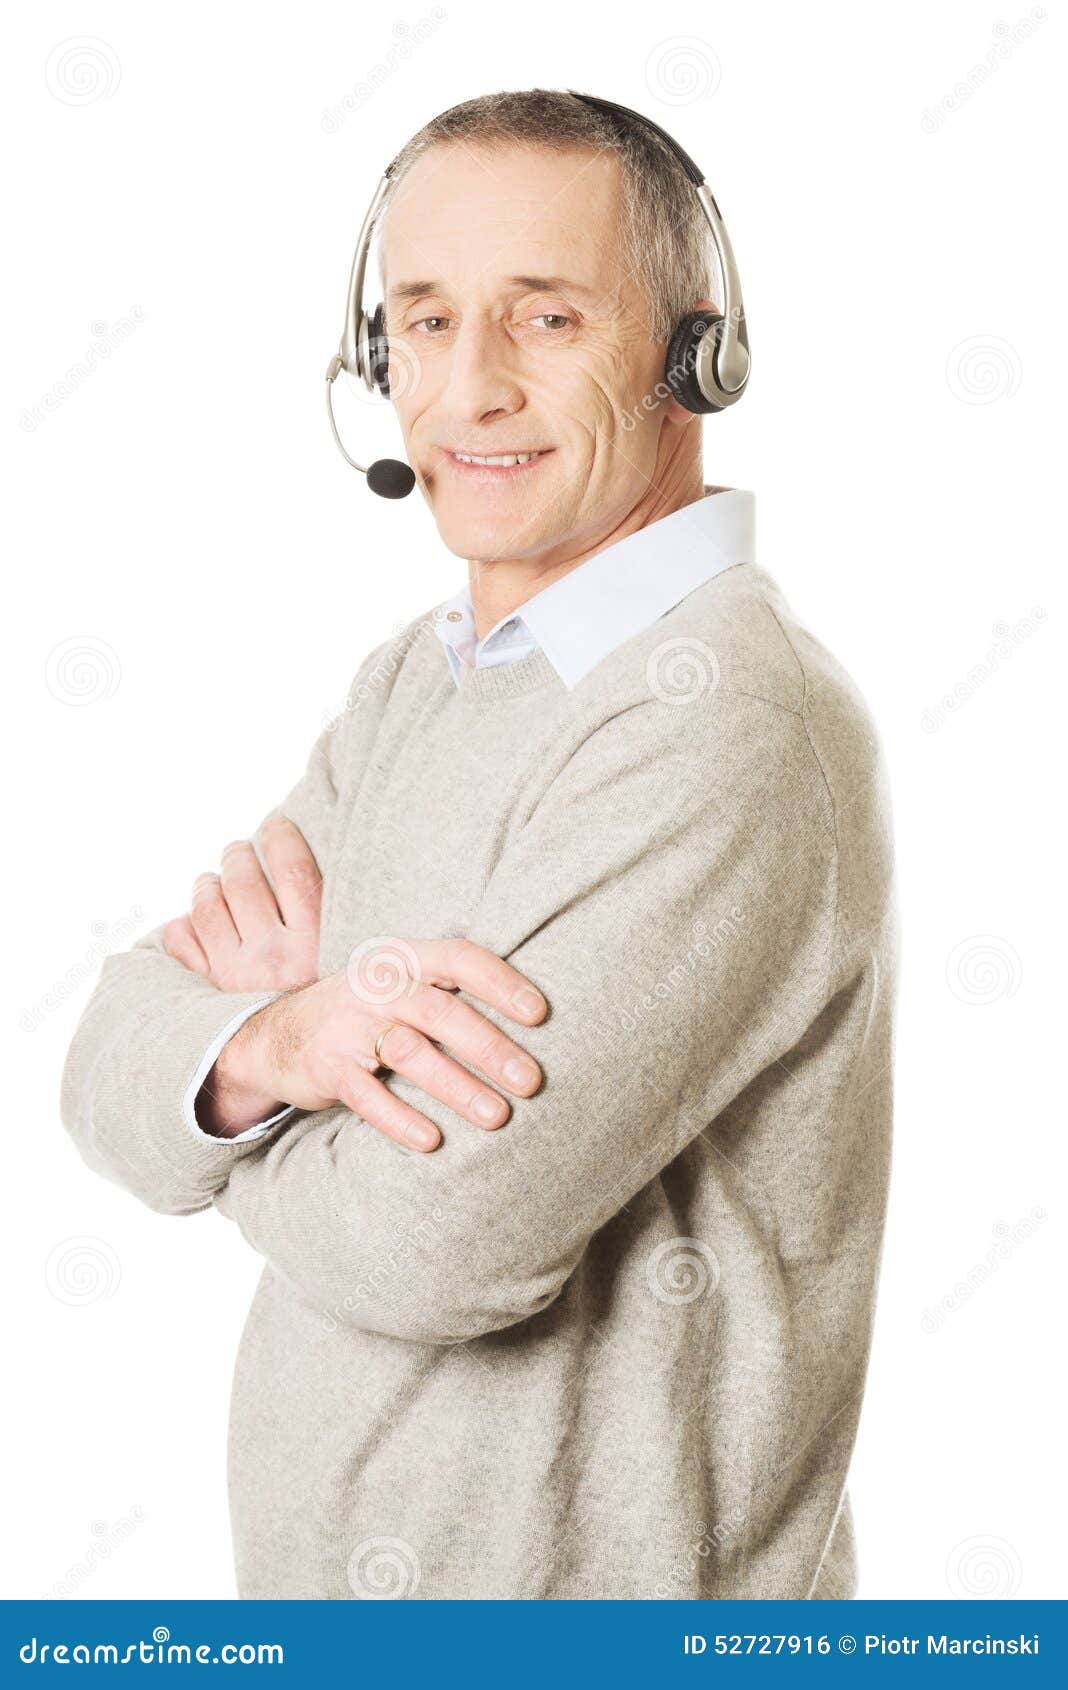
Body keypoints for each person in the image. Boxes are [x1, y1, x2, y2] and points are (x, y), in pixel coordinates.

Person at [60, 89, 897, 1601]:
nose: (469, 390)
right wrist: (284, 1043)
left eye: (547, 318)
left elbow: (439, 1249)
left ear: (697, 355)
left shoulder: (724, 717)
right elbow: (103, 1062)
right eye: (426, 321)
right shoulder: (422, 677)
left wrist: (240, 1100)